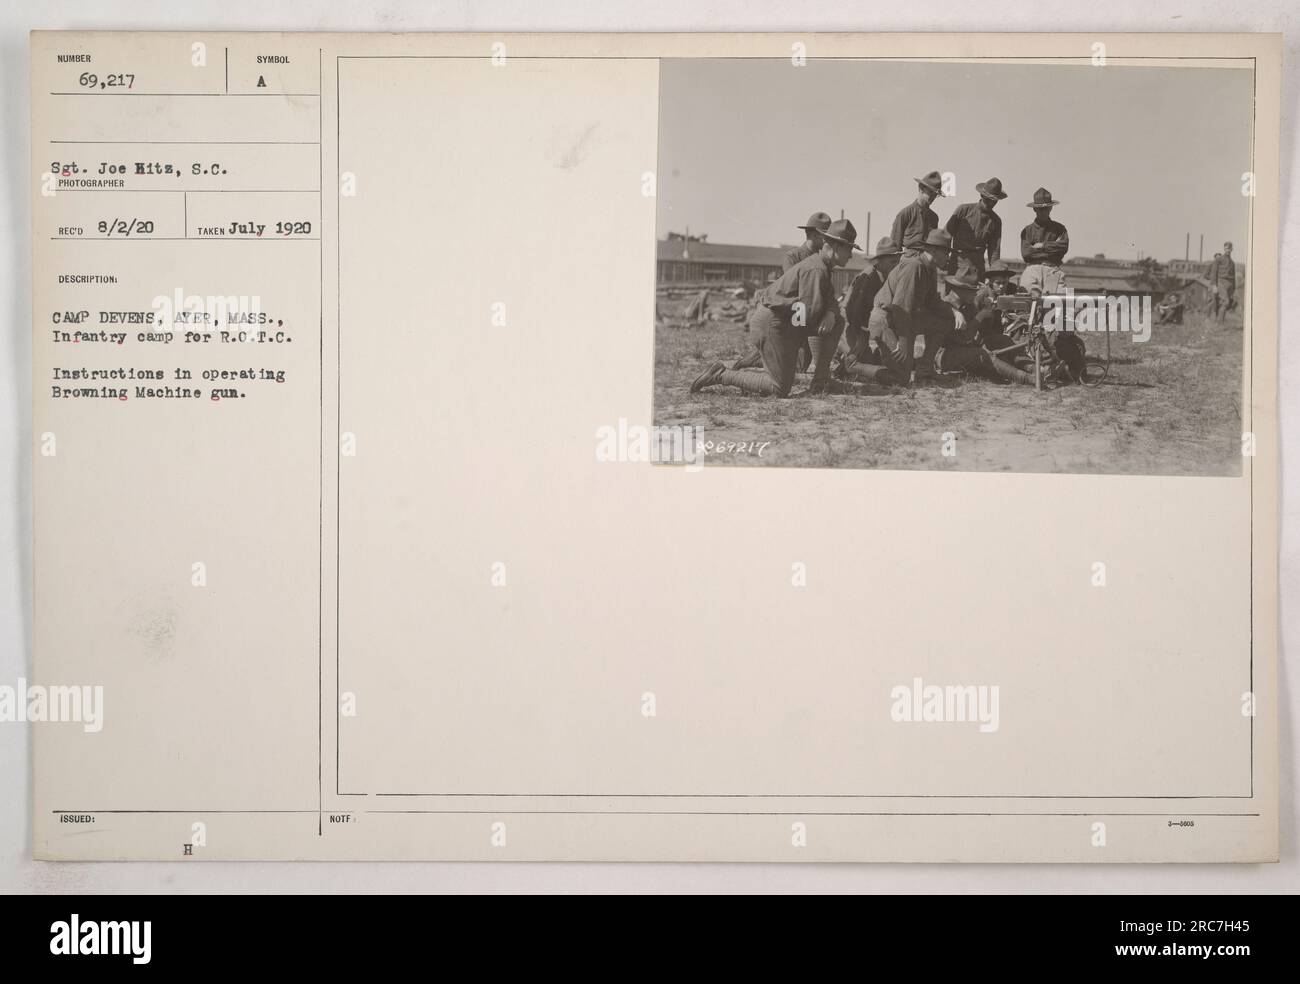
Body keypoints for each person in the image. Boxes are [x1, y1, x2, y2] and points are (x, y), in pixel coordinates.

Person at [691, 219, 860, 397]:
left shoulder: (821, 266)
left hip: (783, 322)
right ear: (836, 246)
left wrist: (831, 313)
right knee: (779, 387)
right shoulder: (816, 269)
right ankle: (720, 374)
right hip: (772, 324)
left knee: (836, 321)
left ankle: (820, 380)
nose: (850, 256)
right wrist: (799, 341)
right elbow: (807, 314)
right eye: (849, 249)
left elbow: (828, 300)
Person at [733, 211, 832, 371]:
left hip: (810, 310)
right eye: (824, 236)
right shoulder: (793, 256)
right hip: (793, 311)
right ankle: (757, 359)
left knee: (800, 365)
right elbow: (798, 290)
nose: (828, 241)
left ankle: (770, 356)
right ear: (812, 234)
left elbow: (826, 291)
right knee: (797, 365)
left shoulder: (823, 258)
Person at [866, 228, 963, 383]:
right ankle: (856, 368)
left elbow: (933, 302)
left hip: (904, 321)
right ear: (932, 250)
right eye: (945, 252)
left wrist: (954, 311)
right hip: (886, 320)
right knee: (901, 379)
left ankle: (925, 370)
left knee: (944, 320)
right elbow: (900, 308)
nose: (948, 256)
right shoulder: (914, 266)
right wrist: (903, 343)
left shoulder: (930, 269)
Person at [930, 266, 1034, 384]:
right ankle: (1029, 379)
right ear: (960, 290)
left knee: (1002, 339)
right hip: (944, 355)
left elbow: (983, 332)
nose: (976, 294)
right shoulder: (946, 306)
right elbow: (965, 338)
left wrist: (989, 313)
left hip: (965, 347)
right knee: (984, 355)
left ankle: (1034, 369)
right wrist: (980, 316)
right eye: (973, 291)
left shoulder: (967, 305)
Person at [834, 236, 905, 383]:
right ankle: (845, 361)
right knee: (854, 362)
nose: (896, 265)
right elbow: (853, 311)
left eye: (897, 261)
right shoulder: (868, 277)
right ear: (880, 260)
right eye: (892, 261)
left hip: (864, 324)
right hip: (850, 325)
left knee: (870, 362)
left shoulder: (887, 276)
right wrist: (861, 337)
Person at [944, 177, 1006, 277]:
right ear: (982, 195)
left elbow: (994, 251)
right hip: (957, 266)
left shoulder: (996, 221)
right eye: (988, 199)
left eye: (994, 200)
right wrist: (944, 258)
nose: (991, 203)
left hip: (978, 269)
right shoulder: (963, 210)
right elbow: (946, 234)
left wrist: (995, 274)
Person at [1019, 187, 1069, 296]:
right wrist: (1052, 247)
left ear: (1051, 208)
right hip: (1033, 269)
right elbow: (1026, 253)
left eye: (1046, 208)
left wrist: (1042, 246)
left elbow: (1063, 247)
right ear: (1034, 209)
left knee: (1058, 302)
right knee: (1026, 299)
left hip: (1052, 269)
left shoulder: (1059, 229)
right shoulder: (1027, 230)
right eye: (1040, 209)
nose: (1043, 212)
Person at [891, 170, 945, 255]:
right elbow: (895, 246)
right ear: (921, 189)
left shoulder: (934, 218)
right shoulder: (905, 214)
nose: (933, 197)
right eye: (931, 192)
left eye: (936, 194)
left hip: (927, 260)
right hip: (908, 260)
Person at [1205, 242, 1236, 322]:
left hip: (1229, 285)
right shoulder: (1219, 259)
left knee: (1223, 303)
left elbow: (1233, 277)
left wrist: (1233, 289)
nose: (1227, 250)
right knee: (1225, 302)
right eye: (1226, 248)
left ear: (1232, 249)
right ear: (1224, 249)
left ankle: (1219, 322)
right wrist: (1214, 285)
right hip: (1221, 282)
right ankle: (1218, 323)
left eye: (1229, 249)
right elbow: (1213, 273)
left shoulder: (1232, 263)